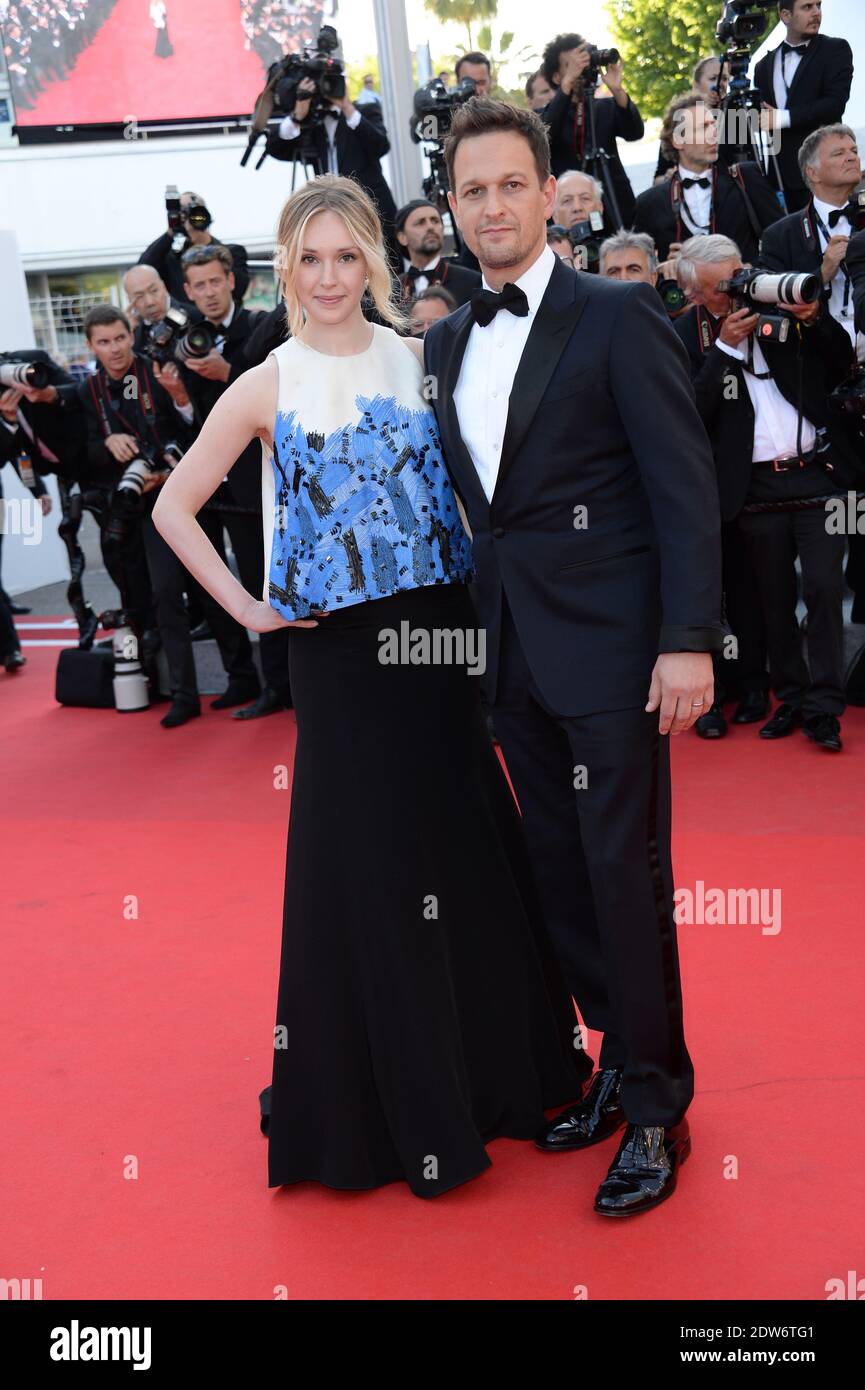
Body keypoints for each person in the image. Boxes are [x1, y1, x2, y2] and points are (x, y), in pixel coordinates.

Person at [151, 173, 584, 1199]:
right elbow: (173, 507)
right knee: (371, 867)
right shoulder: (265, 381)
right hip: (338, 656)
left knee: (462, 843)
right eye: (313, 258)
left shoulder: (424, 358)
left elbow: (480, 494)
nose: (333, 276)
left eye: (349, 257)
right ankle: (398, 1106)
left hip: (437, 639)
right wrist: (251, 608)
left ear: (375, 263)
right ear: (287, 268)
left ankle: (501, 1076)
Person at [426, 97, 725, 1216]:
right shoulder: (449, 338)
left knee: (621, 873)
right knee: (556, 879)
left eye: (511, 185)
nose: (492, 206)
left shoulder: (615, 313)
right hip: (510, 660)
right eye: (472, 190)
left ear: (548, 193)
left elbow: (682, 485)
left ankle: (656, 1107)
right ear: (449, 208)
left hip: (612, 658)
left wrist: (687, 637)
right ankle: (611, 1064)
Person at [674, 233, 857, 750]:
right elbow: (690, 410)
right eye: (722, 287)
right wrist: (728, 348)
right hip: (752, 486)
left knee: (823, 589)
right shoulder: (685, 336)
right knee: (773, 602)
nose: (738, 290)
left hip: (815, 473)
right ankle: (792, 697)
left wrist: (812, 319)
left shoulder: (777, 301)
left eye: (740, 274)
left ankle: (824, 707)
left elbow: (840, 361)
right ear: (695, 295)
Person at [633, 94, 782, 265]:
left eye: (713, 125)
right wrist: (662, 269)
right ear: (678, 141)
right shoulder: (649, 203)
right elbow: (639, 270)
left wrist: (749, 270)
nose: (713, 134)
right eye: (704, 127)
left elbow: (781, 243)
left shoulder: (745, 178)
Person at [753, 0, 853, 213]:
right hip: (781, 179)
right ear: (785, 16)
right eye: (807, 7)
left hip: (825, 173)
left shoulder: (836, 49)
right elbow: (758, 121)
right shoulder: (763, 66)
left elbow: (834, 105)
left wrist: (783, 118)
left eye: (818, 5)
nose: (816, 12)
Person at [539, 32, 644, 226]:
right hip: (570, 213)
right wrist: (568, 84)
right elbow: (546, 137)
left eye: (585, 60)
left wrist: (617, 90)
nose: (581, 68)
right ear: (556, 76)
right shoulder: (546, 114)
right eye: (572, 65)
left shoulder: (605, 107)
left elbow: (635, 133)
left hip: (613, 206)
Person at [138, 190, 250, 308]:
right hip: (187, 323)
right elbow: (142, 270)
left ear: (205, 214)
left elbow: (237, 291)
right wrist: (170, 232)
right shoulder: (172, 258)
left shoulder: (233, 253)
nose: (191, 217)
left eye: (196, 212)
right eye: (182, 212)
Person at [653, 57, 729, 182]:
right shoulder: (681, 116)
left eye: (725, 79)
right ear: (696, 84)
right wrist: (669, 178)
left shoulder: (736, 115)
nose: (720, 83)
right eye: (713, 78)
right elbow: (657, 178)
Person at [394, 198, 480, 308]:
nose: (430, 227)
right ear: (402, 238)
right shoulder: (391, 290)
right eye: (420, 223)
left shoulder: (471, 282)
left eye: (435, 221)